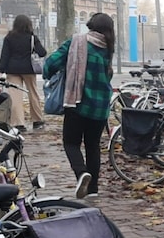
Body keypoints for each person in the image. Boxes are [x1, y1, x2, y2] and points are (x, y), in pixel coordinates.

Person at [43, 12, 115, 199]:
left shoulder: (77, 41)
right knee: (93, 146)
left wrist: (48, 72)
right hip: (100, 106)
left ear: (90, 25)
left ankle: (81, 173)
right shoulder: (108, 46)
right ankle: (93, 190)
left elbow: (51, 63)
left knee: (71, 142)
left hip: (77, 101)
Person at [0, 14, 48, 132]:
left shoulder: (9, 37)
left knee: (15, 97)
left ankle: (18, 124)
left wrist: (0, 71)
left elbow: (4, 55)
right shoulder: (32, 38)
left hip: (12, 70)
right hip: (29, 69)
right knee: (33, 94)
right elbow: (42, 53)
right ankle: (37, 121)